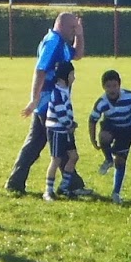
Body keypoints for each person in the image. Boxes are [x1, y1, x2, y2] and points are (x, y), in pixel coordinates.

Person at [5, 11, 86, 195]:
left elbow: (78, 55)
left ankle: (16, 182)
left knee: (36, 143)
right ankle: (71, 184)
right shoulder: (53, 42)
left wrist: (80, 34)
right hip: (48, 103)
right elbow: (40, 70)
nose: (74, 31)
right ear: (62, 25)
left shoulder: (63, 42)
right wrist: (34, 100)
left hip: (53, 101)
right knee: (60, 142)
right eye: (73, 27)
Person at [88, 69, 131, 204]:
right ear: (103, 87)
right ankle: (108, 159)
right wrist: (93, 139)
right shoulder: (102, 102)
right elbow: (92, 120)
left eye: (115, 86)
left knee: (120, 161)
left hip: (126, 130)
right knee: (104, 137)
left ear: (119, 85)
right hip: (111, 126)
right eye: (108, 86)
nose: (112, 89)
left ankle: (116, 192)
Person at [40, 60, 82, 201]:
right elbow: (60, 113)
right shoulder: (57, 92)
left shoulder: (65, 90)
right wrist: (70, 124)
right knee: (56, 160)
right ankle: (48, 191)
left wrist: (70, 124)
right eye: (72, 75)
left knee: (74, 156)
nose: (74, 78)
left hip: (66, 130)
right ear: (65, 76)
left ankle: (63, 187)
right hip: (57, 130)